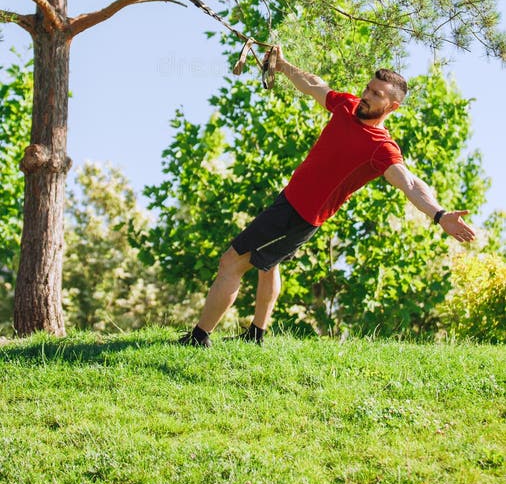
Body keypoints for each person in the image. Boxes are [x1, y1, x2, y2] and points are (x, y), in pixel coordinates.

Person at [179, 48, 476, 347]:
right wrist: (282, 66)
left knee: (231, 262)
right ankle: (256, 334)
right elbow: (314, 85)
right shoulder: (347, 106)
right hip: (289, 199)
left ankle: (198, 338)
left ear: (393, 106)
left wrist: (439, 214)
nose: (367, 96)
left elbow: (411, 183)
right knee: (268, 264)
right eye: (368, 88)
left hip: (299, 217)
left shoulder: (382, 148)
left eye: (377, 95)